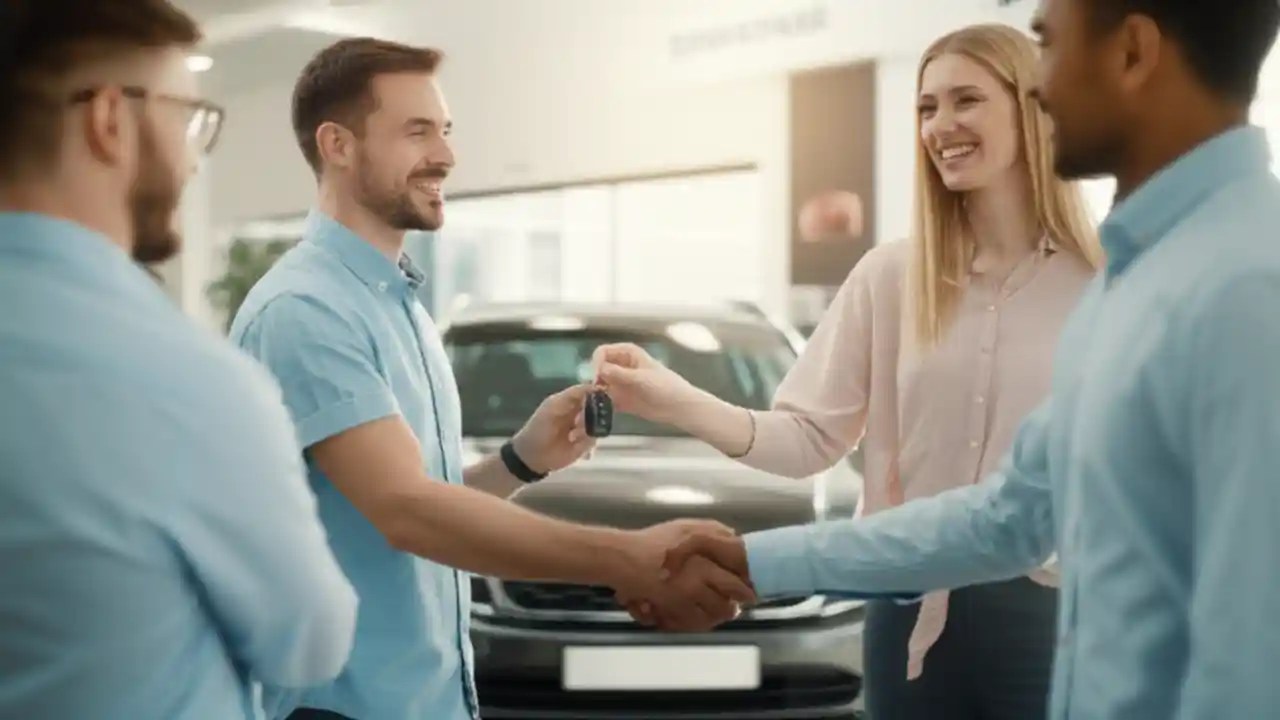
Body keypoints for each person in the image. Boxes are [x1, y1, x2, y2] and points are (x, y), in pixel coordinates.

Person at [659, 0, 1280, 718]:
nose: (1040, 85)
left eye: (1046, 45)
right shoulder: (1136, 279)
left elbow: (1250, 644)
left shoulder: (1243, 283)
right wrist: (753, 562)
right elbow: (1008, 518)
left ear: (1133, 50)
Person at [228, 38, 753, 720]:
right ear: (338, 144)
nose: (446, 155)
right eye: (417, 131)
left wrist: (520, 460)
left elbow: (418, 500)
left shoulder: (397, 306)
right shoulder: (305, 310)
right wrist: (627, 558)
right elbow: (406, 512)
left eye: (445, 131)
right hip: (342, 707)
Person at [592, 22, 1101, 720]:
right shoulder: (891, 276)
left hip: (1062, 615)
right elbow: (806, 440)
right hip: (905, 608)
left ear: (1032, 107)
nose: (941, 125)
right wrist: (674, 399)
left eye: (965, 100)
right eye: (926, 107)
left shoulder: (1102, 283)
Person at [0, 2, 359, 719]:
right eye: (188, 116)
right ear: (109, 120)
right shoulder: (190, 384)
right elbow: (310, 645)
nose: (194, 156)